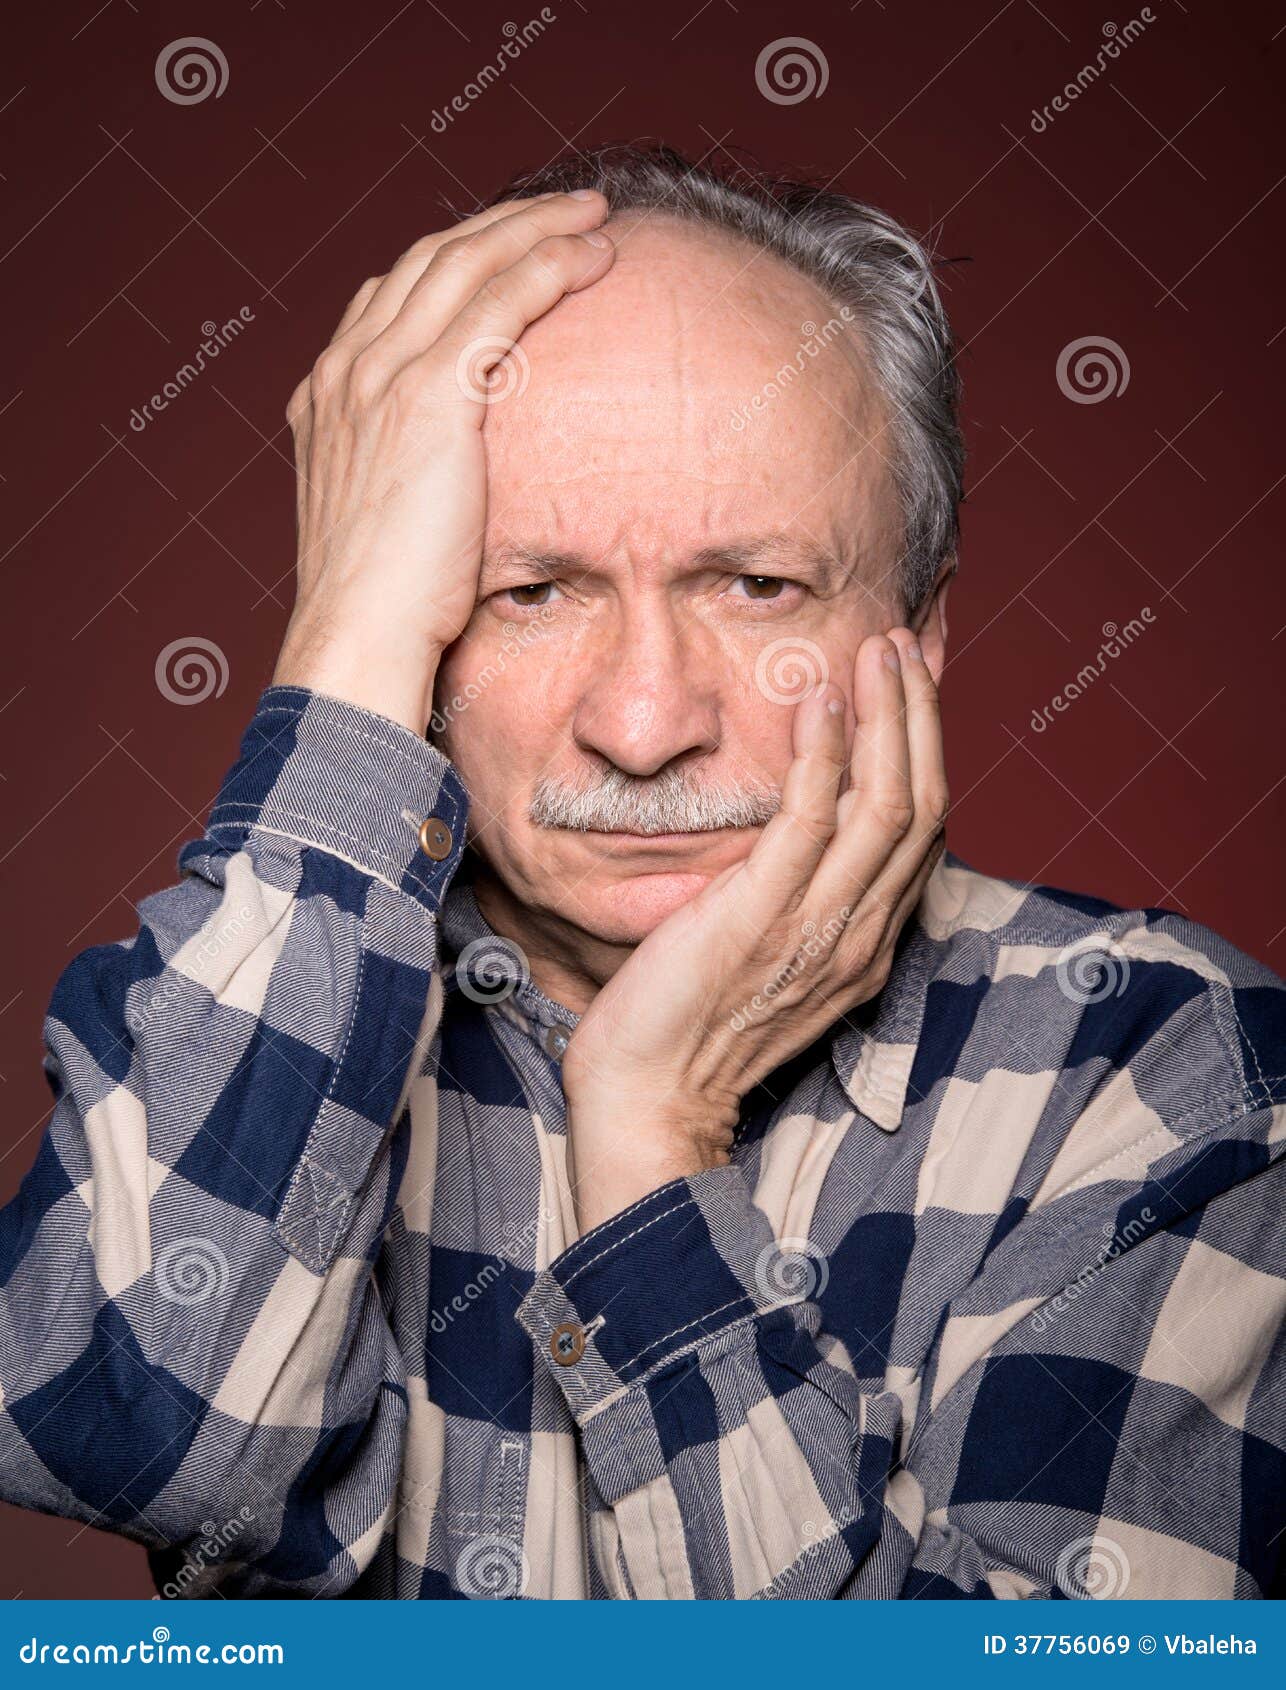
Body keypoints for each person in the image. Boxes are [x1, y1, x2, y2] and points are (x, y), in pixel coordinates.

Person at [0, 143, 1281, 1601]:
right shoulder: (275, 1002)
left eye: (755, 586)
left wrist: (653, 1135)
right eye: (528, 592)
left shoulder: (1166, 1071)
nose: (643, 723)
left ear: (917, 636)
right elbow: (127, 1435)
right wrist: (343, 646)